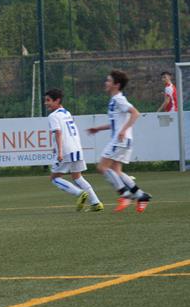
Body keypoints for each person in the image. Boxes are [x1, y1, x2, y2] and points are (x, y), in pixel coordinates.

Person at [86, 70, 152, 213]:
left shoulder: (118, 99)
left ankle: (124, 194)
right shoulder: (115, 100)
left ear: (116, 84)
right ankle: (141, 195)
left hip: (120, 139)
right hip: (123, 140)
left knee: (102, 167)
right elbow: (116, 123)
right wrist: (98, 129)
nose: (106, 83)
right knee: (116, 170)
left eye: (109, 81)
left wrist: (123, 131)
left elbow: (135, 113)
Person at [44, 88, 103, 212]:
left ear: (57, 100)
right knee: (77, 176)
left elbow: (58, 133)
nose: (46, 103)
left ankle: (79, 193)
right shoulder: (66, 112)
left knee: (55, 178)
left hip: (65, 150)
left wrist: (59, 151)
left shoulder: (53, 116)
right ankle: (96, 203)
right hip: (76, 148)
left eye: (48, 100)